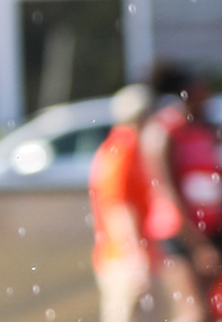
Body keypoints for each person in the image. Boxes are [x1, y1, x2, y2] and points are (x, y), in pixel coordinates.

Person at [142, 65, 222, 322]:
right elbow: (166, 191)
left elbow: (220, 186)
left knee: (216, 311)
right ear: (185, 95)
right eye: (203, 93)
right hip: (179, 232)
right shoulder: (165, 133)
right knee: (194, 311)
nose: (209, 100)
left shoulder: (204, 131)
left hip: (210, 229)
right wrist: (198, 246)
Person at [90, 84, 155, 322]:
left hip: (127, 254)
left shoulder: (125, 147)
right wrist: (135, 255)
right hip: (122, 257)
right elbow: (117, 207)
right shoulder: (122, 149)